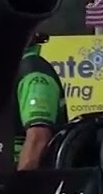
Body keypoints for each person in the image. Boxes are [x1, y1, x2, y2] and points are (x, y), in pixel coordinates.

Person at [13, 31, 67, 171]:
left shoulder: (32, 69)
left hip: (20, 178)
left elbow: (38, 139)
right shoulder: (8, 72)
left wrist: (19, 182)